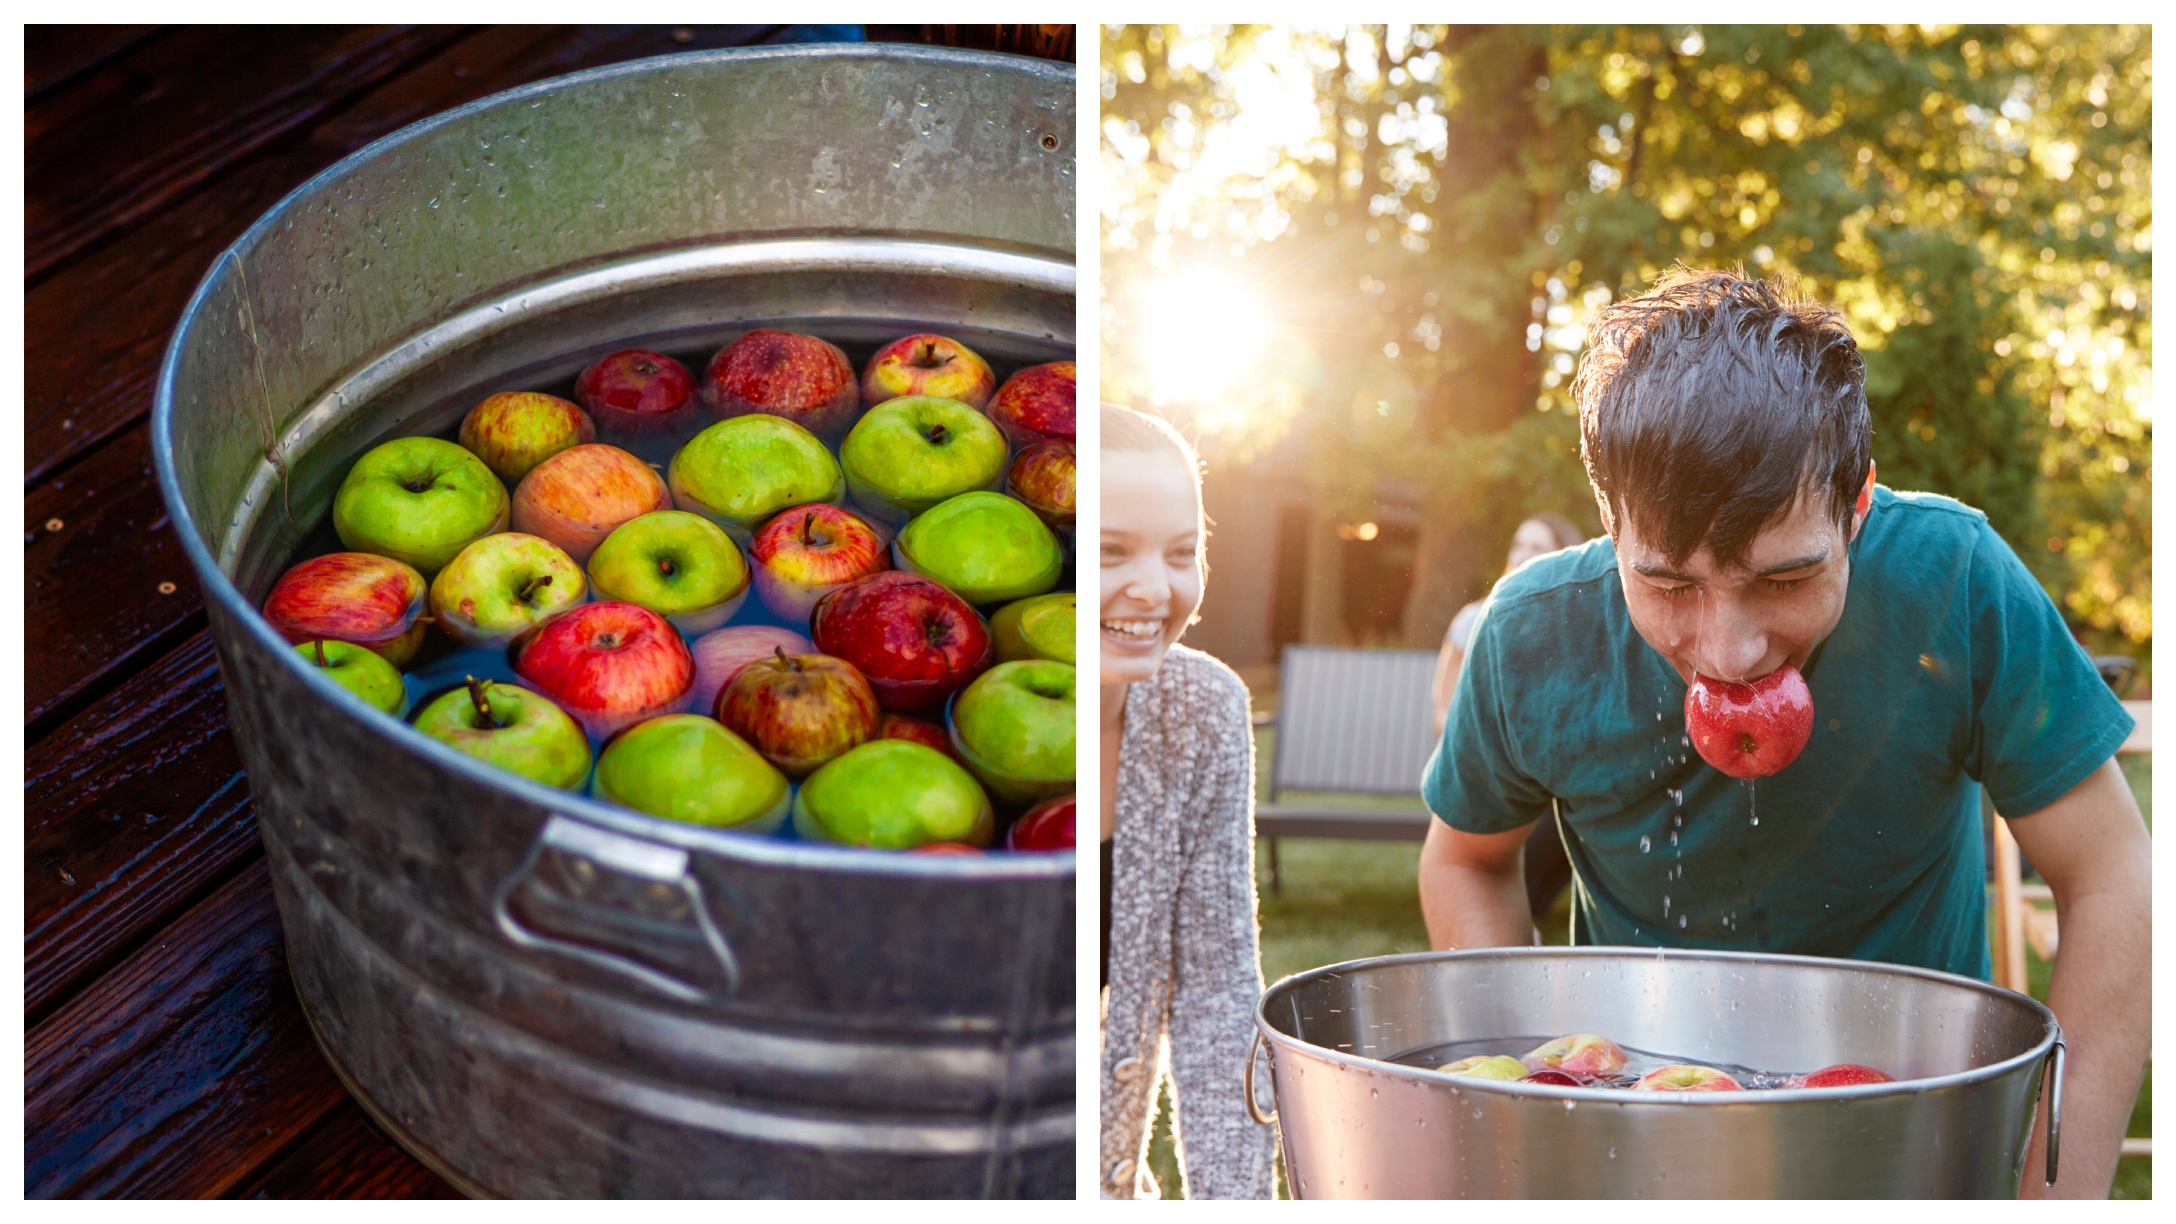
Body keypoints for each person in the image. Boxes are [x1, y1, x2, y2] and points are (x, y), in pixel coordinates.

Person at [1418, 269, 2149, 1198]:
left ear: (1858, 507)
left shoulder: (1956, 580)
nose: (1729, 653)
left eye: (1786, 579)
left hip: (1909, 1131)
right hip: (1632, 1138)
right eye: (1670, 584)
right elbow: (1465, 861)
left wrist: (2054, 1196)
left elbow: (2114, 877)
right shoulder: (1529, 632)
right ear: (1610, 522)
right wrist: (1532, 1095)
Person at [1098, 404, 1277, 1200]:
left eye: (1181, 553)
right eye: (1111, 551)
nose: (1154, 587)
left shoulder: (1201, 709)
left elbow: (1216, 994)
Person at [1427, 513, 1588, 932]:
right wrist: (1496, 736)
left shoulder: (1577, 627)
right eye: (1519, 544)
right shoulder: (1475, 618)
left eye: (1537, 547)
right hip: (1486, 763)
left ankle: (1527, 911)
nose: (1523, 554)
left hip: (1553, 770)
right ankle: (1513, 915)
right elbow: (1441, 713)